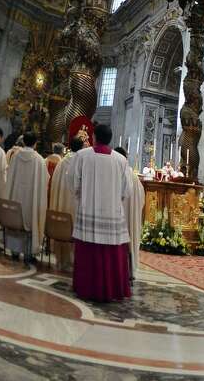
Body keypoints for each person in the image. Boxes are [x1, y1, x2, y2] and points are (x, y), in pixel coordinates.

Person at [68, 124, 132, 301]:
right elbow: (127, 190)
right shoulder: (121, 160)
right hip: (112, 213)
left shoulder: (82, 155)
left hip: (88, 209)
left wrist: (82, 195)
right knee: (111, 252)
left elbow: (72, 182)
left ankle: (86, 287)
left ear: (94, 137)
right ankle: (112, 289)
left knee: (88, 251)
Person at [5, 134, 48, 263]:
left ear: (23, 142)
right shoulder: (39, 160)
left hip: (17, 196)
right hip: (31, 200)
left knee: (16, 222)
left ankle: (14, 251)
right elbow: (45, 179)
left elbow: (10, 176)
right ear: (35, 143)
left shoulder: (16, 156)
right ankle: (29, 254)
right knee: (30, 222)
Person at [48, 137, 85, 271]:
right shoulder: (82, 163)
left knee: (62, 229)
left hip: (61, 205)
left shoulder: (62, 162)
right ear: (81, 148)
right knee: (73, 229)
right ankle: (72, 262)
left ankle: (60, 260)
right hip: (75, 206)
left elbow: (54, 185)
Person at [114, 145, 144, 279]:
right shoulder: (134, 177)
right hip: (131, 216)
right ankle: (129, 271)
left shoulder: (116, 174)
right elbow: (142, 199)